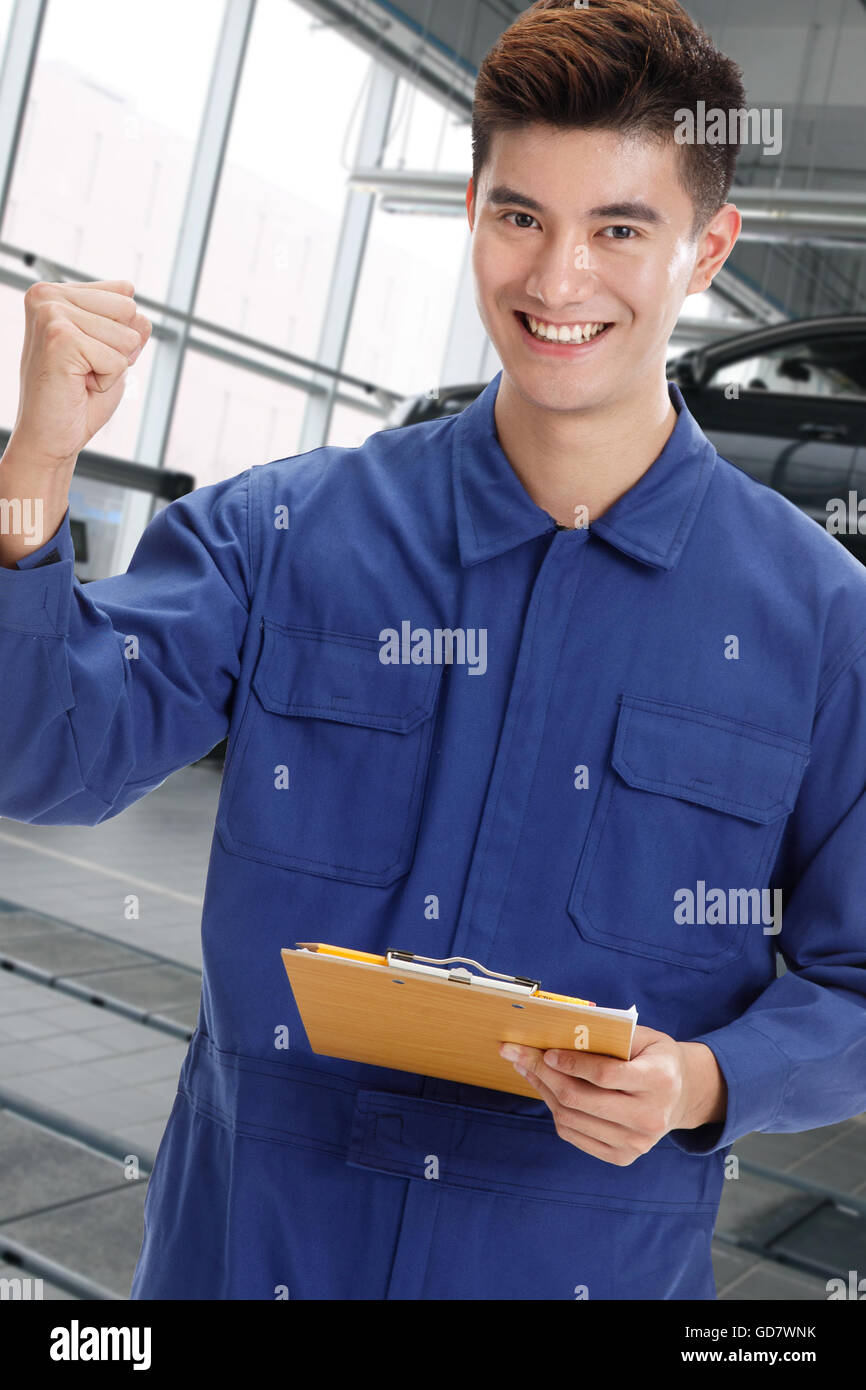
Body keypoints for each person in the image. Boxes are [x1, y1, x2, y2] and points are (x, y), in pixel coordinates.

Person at [1, 0, 864, 1301]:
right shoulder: (284, 530)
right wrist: (36, 474)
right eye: (520, 216)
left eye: (618, 228)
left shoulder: (817, 620)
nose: (555, 278)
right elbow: (43, 759)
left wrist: (703, 1081)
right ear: (474, 211)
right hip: (250, 1256)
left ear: (705, 249)